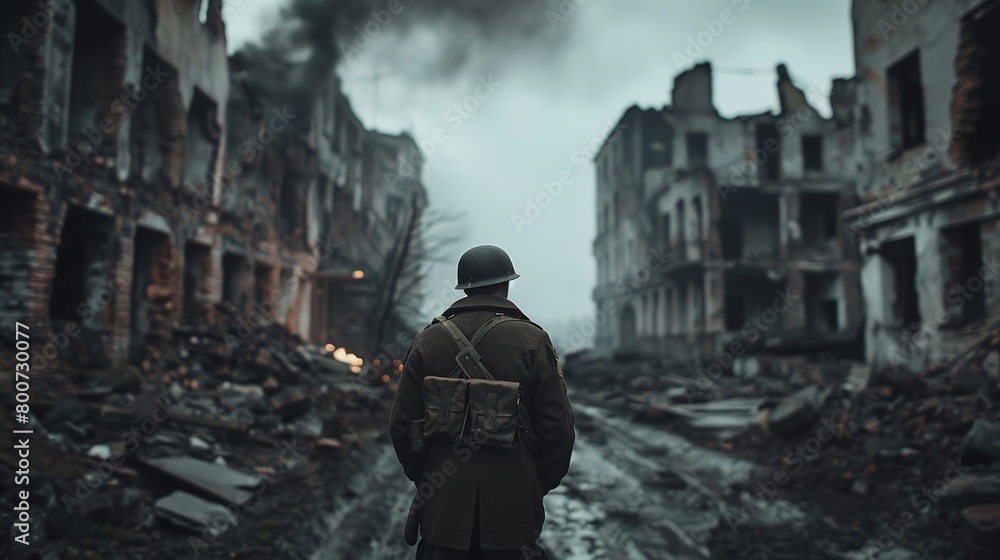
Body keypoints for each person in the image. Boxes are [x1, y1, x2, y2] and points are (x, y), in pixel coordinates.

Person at [389, 244, 576, 559]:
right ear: (506, 284)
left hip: (443, 515)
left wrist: (430, 478)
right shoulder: (532, 339)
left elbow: (402, 427)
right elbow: (559, 430)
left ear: (463, 288)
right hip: (512, 518)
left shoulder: (426, 340)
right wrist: (532, 483)